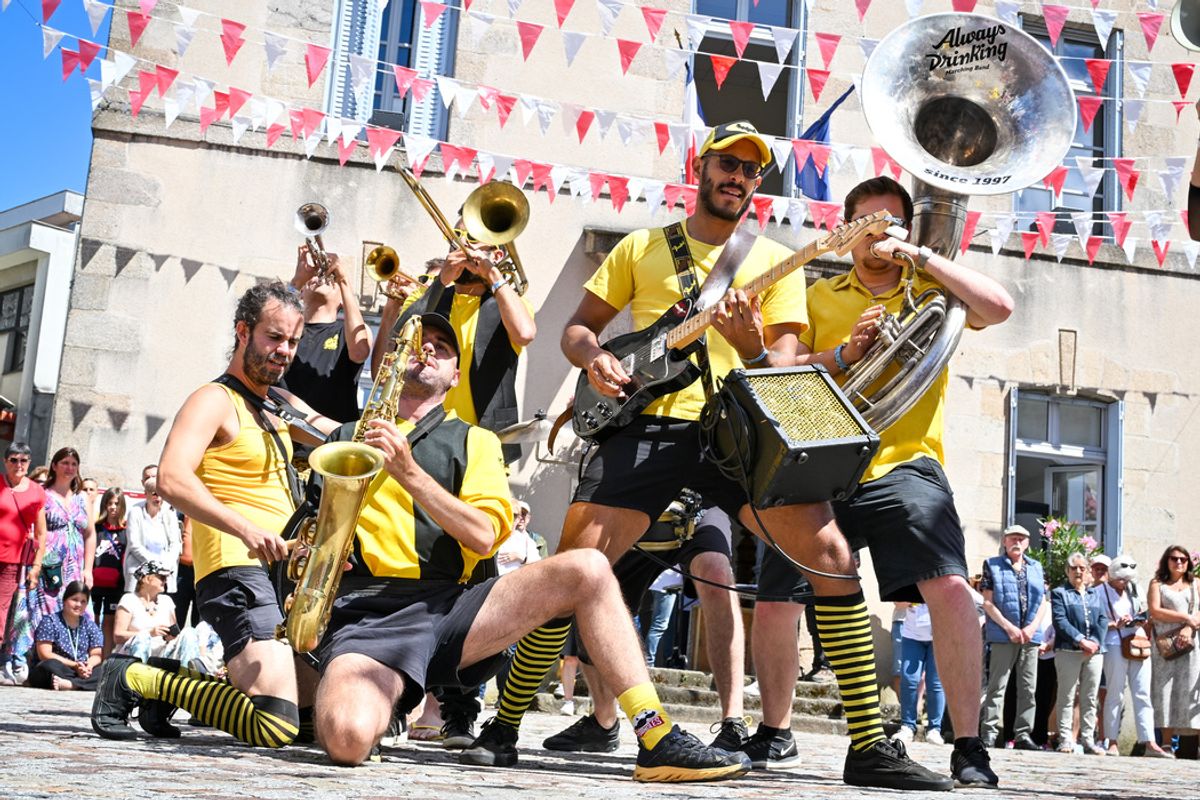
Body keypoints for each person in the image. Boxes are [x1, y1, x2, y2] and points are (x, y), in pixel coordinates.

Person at [466, 121, 951, 791]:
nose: (739, 177)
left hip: (740, 433)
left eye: (752, 170)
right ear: (703, 165)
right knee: (574, 564)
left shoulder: (778, 260)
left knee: (833, 558)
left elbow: (781, 366)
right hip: (649, 425)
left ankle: (869, 745)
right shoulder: (641, 245)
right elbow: (578, 329)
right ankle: (505, 724)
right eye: (728, 163)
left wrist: (752, 345)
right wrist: (596, 358)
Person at [312, 313, 747, 782]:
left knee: (588, 566)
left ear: (455, 376)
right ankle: (381, 700)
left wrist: (408, 472)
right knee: (347, 739)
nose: (427, 349)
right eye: (419, 342)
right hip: (369, 616)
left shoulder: (473, 440)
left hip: (453, 610)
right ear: (390, 365)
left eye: (442, 345)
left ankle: (654, 733)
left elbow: (482, 536)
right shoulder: (344, 437)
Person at [780, 174, 1012, 787]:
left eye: (890, 223)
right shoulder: (816, 293)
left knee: (952, 588)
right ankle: (771, 733)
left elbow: (1000, 306)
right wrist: (848, 354)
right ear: (847, 229)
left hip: (905, 461)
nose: (878, 235)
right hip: (826, 458)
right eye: (867, 223)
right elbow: (781, 370)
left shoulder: (931, 285)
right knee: (779, 586)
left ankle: (968, 747)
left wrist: (923, 255)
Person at [91, 281, 335, 747]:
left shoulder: (279, 406)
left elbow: (346, 436)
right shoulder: (213, 399)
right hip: (234, 563)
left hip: (283, 573)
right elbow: (172, 477)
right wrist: (244, 526)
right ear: (243, 331)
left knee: (313, 719)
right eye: (273, 337)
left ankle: (174, 680)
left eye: (293, 341)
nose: (284, 351)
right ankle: (134, 678)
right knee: (276, 725)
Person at [376, 214, 536, 747]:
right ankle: (407, 692)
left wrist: (494, 276)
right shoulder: (433, 303)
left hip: (477, 444)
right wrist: (440, 280)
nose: (470, 252)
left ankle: (461, 709)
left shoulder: (499, 297)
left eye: (481, 245)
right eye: (464, 245)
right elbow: (392, 353)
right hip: (421, 439)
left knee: (479, 569)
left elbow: (527, 333)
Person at [542, 502, 749, 757]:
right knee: (595, 592)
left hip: (703, 499)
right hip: (645, 500)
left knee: (717, 574)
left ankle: (733, 722)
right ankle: (603, 721)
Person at [5, 447, 97, 681]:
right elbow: (36, 530)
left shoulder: (82, 497)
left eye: (73, 464)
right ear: (54, 465)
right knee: (43, 611)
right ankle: (38, 663)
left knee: (77, 610)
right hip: (50, 564)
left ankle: (74, 664)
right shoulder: (42, 493)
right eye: (64, 463)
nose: (69, 468)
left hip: (75, 565)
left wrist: (88, 567)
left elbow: (90, 533)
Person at [279, 247, 373, 423]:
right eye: (315, 276)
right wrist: (297, 281)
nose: (321, 278)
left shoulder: (347, 331)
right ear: (302, 294)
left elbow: (360, 351)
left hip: (332, 443)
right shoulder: (289, 331)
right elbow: (268, 324)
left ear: (341, 299)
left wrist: (343, 280)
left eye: (331, 278)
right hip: (285, 438)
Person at [980, 525, 1048, 751]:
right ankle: (989, 733)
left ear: (1028, 543)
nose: (1017, 542)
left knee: (1028, 687)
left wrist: (1031, 628)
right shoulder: (992, 565)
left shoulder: (1037, 567)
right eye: (1013, 539)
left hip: (1030, 635)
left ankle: (1022, 734)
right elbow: (987, 602)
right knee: (997, 685)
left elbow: (1042, 602)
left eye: (1021, 538)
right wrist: (1009, 627)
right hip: (1002, 634)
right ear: (1005, 541)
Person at [1100, 554, 1173, 757]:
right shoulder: (1099, 592)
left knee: (1142, 693)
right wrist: (1115, 624)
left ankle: (1149, 742)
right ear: (1112, 575)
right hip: (1114, 642)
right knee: (1115, 693)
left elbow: (1146, 612)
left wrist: (1141, 620)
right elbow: (1097, 622)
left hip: (1138, 642)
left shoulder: (1136, 590)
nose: (1124, 583)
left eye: (1127, 579)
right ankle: (1112, 741)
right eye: (1121, 579)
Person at [1050, 552, 1108, 755]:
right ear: (1067, 570)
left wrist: (1095, 642)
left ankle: (1088, 739)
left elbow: (1102, 619)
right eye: (1074, 568)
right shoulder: (1059, 593)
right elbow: (1060, 621)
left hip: (1094, 651)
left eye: (1082, 568)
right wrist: (1080, 640)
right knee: (1066, 695)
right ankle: (1065, 739)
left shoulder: (1095, 594)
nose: (1078, 571)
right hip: (1068, 650)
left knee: (1090, 696)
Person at [1147, 545, 1200, 757]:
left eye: (1183, 559)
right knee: (1164, 690)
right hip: (1165, 645)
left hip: (1192, 642)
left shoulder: (1195, 583)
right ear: (1166, 561)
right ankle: (1167, 742)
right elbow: (1155, 611)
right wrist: (1185, 618)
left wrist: (1189, 626)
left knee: (1190, 690)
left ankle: (1195, 744)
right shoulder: (1157, 583)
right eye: (1174, 558)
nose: (1179, 562)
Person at [0, 442, 46, 684]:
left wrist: (36, 567)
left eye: (23, 460)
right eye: (14, 460)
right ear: (6, 462)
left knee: (2, 613)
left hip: (13, 561)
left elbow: (41, 533)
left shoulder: (37, 492)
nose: (19, 465)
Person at [30, 580, 103, 691]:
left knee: (106, 670)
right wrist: (75, 665)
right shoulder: (50, 621)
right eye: (74, 600)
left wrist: (88, 666)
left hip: (80, 670)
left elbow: (97, 654)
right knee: (49, 665)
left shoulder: (90, 625)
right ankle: (82, 683)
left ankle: (71, 684)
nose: (78, 605)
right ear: (64, 600)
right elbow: (44, 654)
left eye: (83, 602)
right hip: (59, 668)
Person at [123, 467, 181, 597]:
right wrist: (154, 564)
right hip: (140, 570)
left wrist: (165, 564)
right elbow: (134, 544)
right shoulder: (135, 512)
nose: (158, 498)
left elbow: (175, 543)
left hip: (165, 573)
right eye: (154, 493)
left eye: (160, 494)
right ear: (146, 493)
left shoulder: (169, 513)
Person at [897, 603, 946, 746]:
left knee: (936, 682)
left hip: (939, 635)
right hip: (912, 635)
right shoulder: (909, 579)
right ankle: (907, 726)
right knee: (909, 679)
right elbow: (897, 602)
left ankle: (934, 729)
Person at [112, 561, 179, 660]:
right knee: (142, 638)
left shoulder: (167, 601)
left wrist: (171, 637)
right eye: (162, 577)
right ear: (147, 579)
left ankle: (188, 673)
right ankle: (139, 674)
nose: (165, 581)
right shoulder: (129, 599)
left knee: (189, 634)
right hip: (132, 656)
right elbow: (118, 636)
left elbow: (174, 635)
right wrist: (150, 633)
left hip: (161, 655)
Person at [91, 487, 128, 656]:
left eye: (117, 503)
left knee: (109, 622)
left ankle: (105, 659)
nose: (113, 507)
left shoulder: (126, 531)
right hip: (94, 583)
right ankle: (92, 658)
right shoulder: (96, 528)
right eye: (110, 503)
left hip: (116, 585)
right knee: (93, 620)